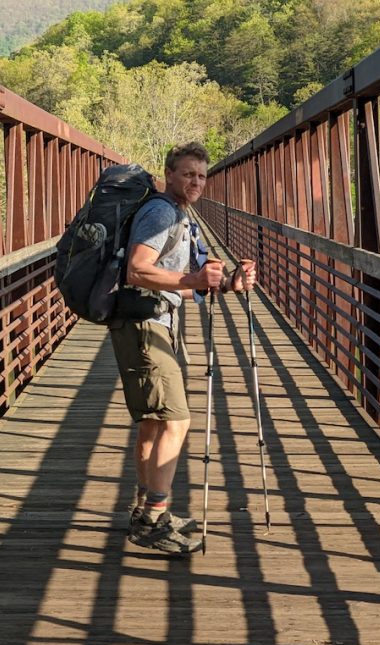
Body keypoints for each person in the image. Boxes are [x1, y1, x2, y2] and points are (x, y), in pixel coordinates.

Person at [109, 142, 256, 554]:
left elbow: (182, 282)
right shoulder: (160, 213)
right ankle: (154, 520)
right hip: (145, 325)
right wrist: (192, 281)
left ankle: (144, 510)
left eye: (202, 176)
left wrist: (229, 283)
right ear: (169, 174)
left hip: (152, 323)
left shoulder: (180, 214)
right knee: (176, 420)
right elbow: (137, 270)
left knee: (153, 422)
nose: (196, 182)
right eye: (188, 173)